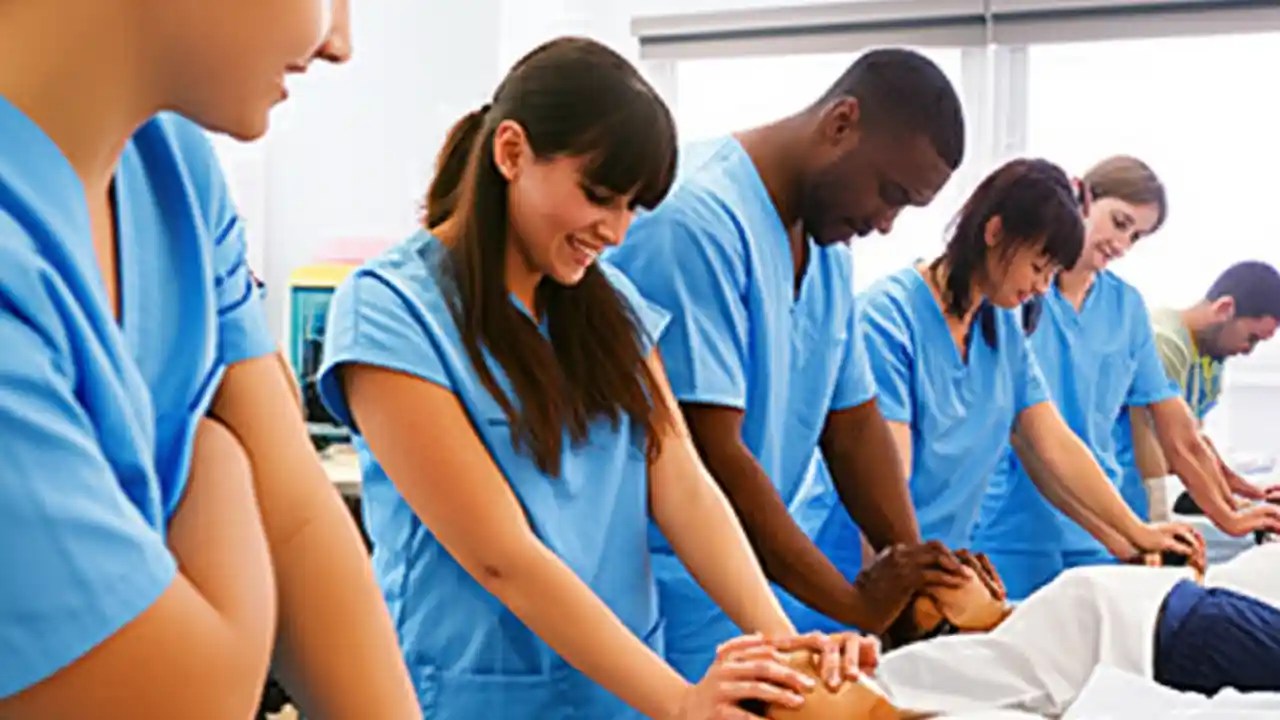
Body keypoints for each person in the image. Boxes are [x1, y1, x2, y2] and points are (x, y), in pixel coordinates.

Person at [317, 37, 875, 719]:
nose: (615, 231)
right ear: (512, 153)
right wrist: (679, 702)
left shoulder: (609, 308)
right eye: (600, 197)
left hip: (616, 694)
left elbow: (685, 489)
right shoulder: (390, 312)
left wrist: (785, 647)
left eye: (634, 207)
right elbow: (502, 556)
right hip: (475, 695)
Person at [0, 1, 420, 718]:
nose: (339, 44)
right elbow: (180, 695)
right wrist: (223, 463)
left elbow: (296, 521)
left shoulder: (171, 169)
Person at [607, 47, 975, 680]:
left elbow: (853, 424)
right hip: (663, 599)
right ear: (841, 123)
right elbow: (710, 456)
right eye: (889, 194)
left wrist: (918, 568)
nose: (886, 225)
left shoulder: (827, 244)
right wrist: (856, 605)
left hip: (744, 602)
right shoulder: (694, 222)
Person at [815, 158, 1199, 610]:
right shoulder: (888, 319)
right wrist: (898, 602)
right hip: (856, 580)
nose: (1041, 288)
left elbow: (1052, 443)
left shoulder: (1002, 327)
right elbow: (880, 486)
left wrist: (1136, 530)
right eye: (1038, 267)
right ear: (994, 232)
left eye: (1052, 274)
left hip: (931, 579)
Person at [971, 156, 1280, 600]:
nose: (1121, 243)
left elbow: (1178, 430)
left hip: (1099, 534)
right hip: (1012, 529)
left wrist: (1231, 515)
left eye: (1135, 236)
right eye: (1119, 223)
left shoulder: (1126, 309)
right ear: (1082, 197)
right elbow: (1031, 437)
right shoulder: (1018, 294)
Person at [874, 543, 1280, 716]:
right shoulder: (991, 658)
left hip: (1189, 608)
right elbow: (892, 689)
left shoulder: (1029, 606)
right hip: (1176, 639)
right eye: (941, 595)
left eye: (963, 570)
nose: (965, 577)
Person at [1118, 260, 1280, 520]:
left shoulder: (1210, 360)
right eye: (1251, 338)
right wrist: (1229, 515)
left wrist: (1249, 494)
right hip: (1121, 492)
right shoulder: (1163, 342)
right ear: (1225, 308)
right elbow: (1169, 444)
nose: (1249, 351)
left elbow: (1195, 440)